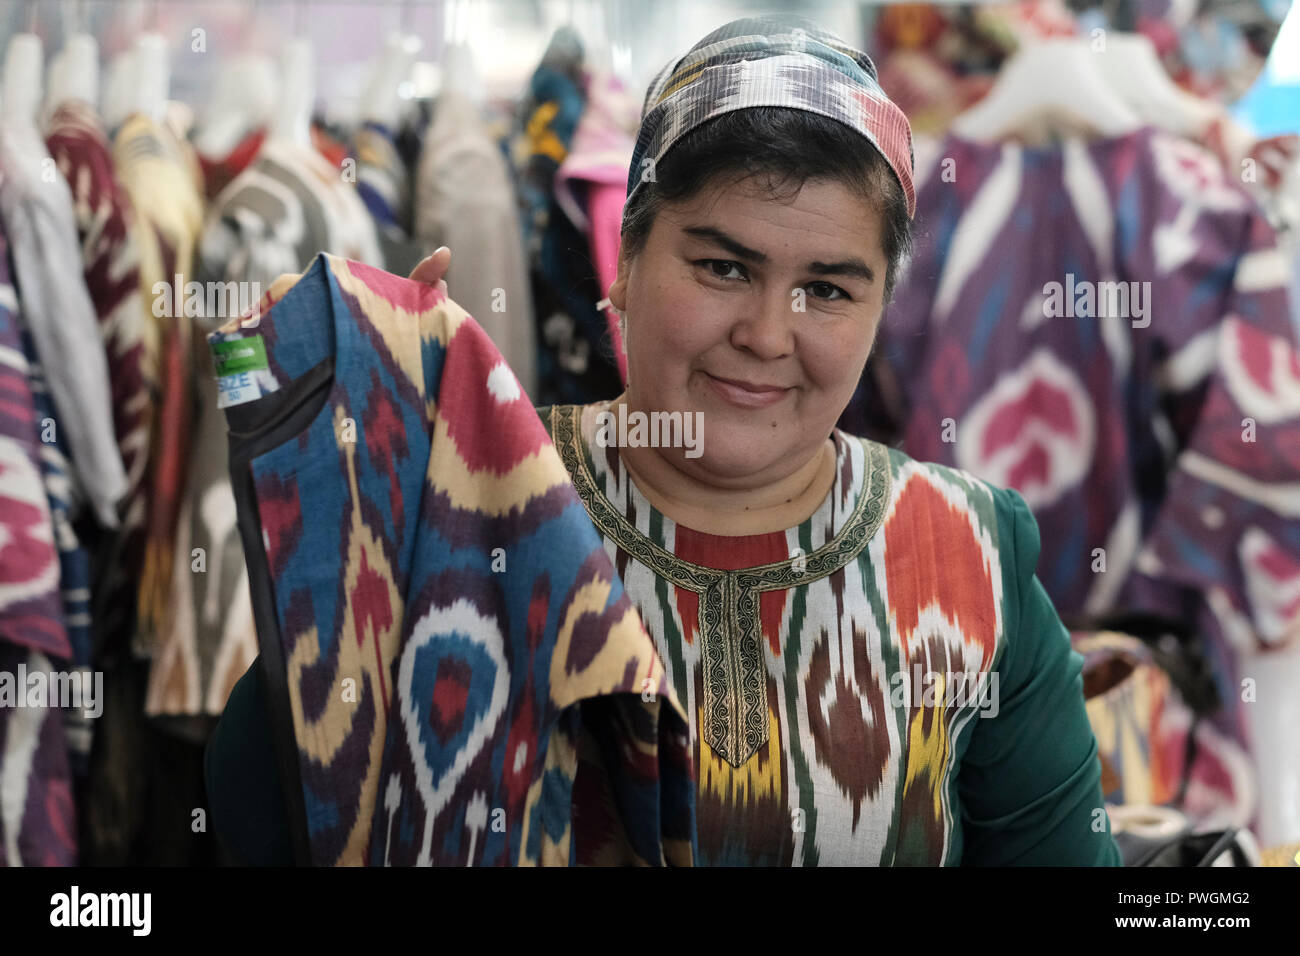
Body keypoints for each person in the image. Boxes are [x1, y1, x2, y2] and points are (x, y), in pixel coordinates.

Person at [206, 14, 1121, 866]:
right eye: (724, 267)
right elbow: (261, 811)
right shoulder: (471, 503)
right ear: (627, 263)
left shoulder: (967, 555)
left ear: (882, 308)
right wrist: (366, 486)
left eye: (830, 290)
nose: (768, 333)